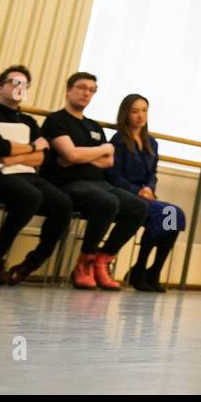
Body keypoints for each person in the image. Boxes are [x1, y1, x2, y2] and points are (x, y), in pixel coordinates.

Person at [0, 65, 73, 285]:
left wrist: (18, 154)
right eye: (14, 83)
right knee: (30, 196)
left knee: (63, 204)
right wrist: (31, 148)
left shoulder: (29, 122)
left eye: (24, 85)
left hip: (28, 175)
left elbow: (45, 157)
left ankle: (30, 262)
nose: (19, 88)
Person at [39, 72, 147, 290]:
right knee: (108, 202)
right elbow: (72, 156)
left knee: (144, 209)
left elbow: (108, 161)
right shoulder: (56, 120)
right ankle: (85, 261)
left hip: (103, 185)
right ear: (68, 89)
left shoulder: (95, 127)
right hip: (68, 184)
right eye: (81, 87)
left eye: (92, 90)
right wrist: (97, 151)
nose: (86, 93)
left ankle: (105, 259)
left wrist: (81, 156)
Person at [108, 93, 185, 293]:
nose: (140, 116)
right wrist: (137, 190)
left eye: (144, 110)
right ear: (126, 114)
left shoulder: (152, 142)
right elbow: (113, 175)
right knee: (161, 216)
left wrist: (149, 188)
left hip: (146, 195)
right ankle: (140, 268)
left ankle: (154, 270)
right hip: (125, 193)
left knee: (174, 215)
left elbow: (153, 173)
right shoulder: (118, 140)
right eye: (135, 111)